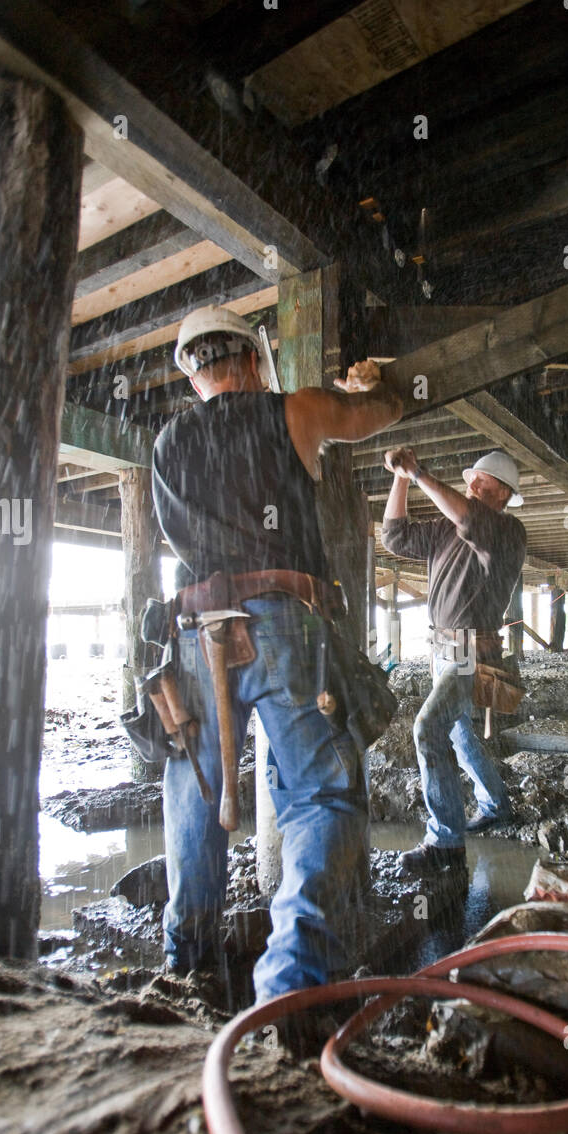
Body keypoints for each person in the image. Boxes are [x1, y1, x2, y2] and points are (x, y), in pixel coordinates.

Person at [151, 304, 403, 1001]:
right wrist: (370, 384)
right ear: (254, 359)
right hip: (284, 618)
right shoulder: (295, 409)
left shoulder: (167, 441)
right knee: (322, 795)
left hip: (196, 632)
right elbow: (380, 413)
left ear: (193, 376)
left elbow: (180, 541)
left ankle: (187, 964)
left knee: (195, 795)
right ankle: (291, 979)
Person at [380, 445, 526, 872]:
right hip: (440, 649)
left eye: (486, 482)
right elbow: (395, 535)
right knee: (460, 735)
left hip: (468, 651)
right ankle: (496, 803)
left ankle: (445, 844)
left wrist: (419, 471)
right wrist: (401, 479)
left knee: (427, 728)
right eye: (473, 479)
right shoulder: (447, 529)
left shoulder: (507, 532)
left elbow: (468, 518)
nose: (474, 484)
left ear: (504, 495)